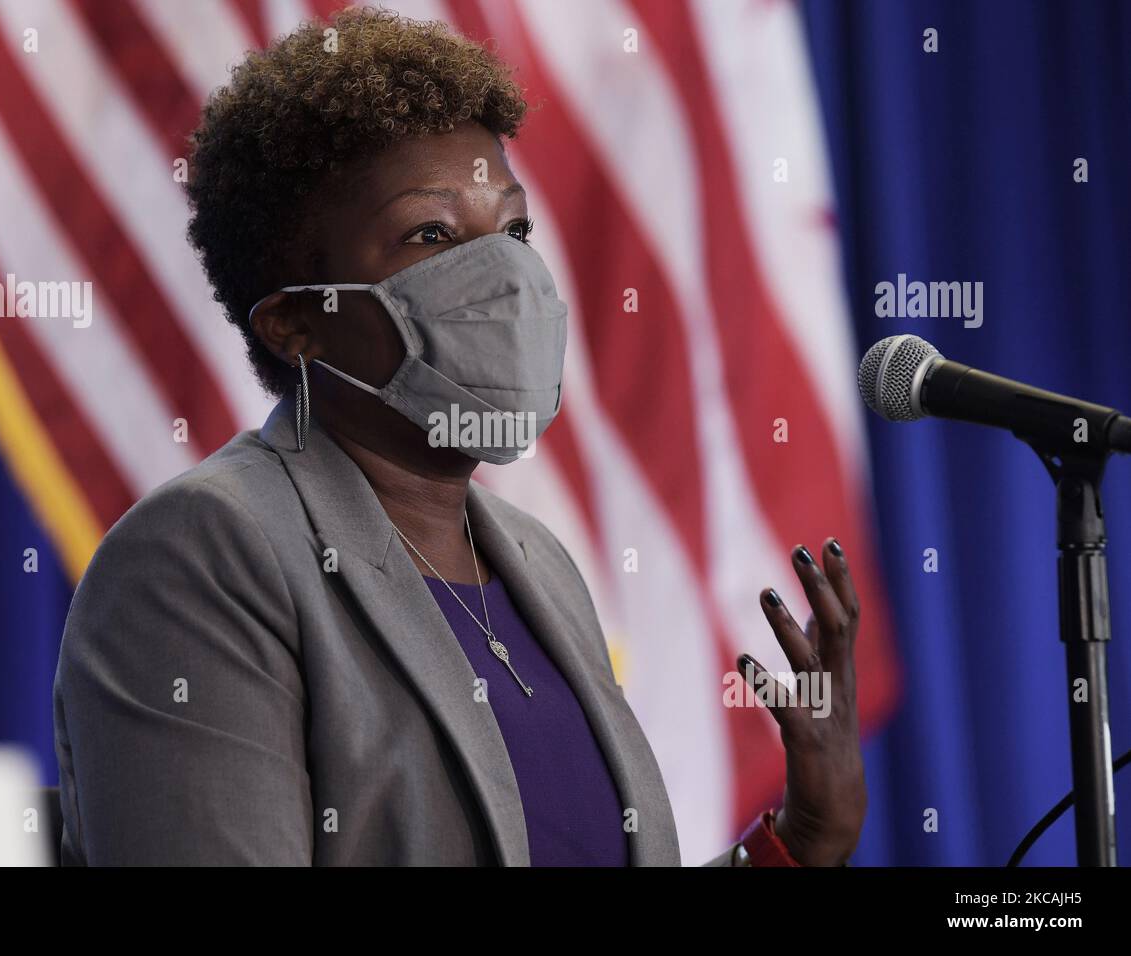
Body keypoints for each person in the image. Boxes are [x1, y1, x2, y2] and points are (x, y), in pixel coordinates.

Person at [53, 7, 865, 866]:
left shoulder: (537, 566)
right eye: (431, 235)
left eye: (512, 231)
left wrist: (796, 844)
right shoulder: (202, 558)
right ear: (297, 322)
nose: (507, 276)